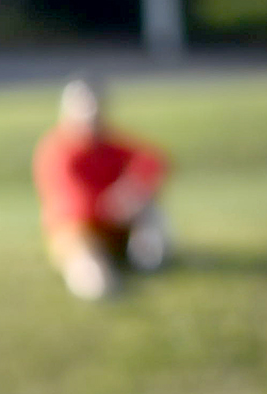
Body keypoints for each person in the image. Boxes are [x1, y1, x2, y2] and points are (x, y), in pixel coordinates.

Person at [33, 76, 171, 301]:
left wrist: (132, 189)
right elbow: (74, 204)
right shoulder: (56, 150)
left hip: (116, 225)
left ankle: (147, 260)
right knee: (94, 278)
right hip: (78, 229)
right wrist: (114, 203)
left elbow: (153, 161)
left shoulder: (110, 143)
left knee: (149, 208)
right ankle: (98, 280)